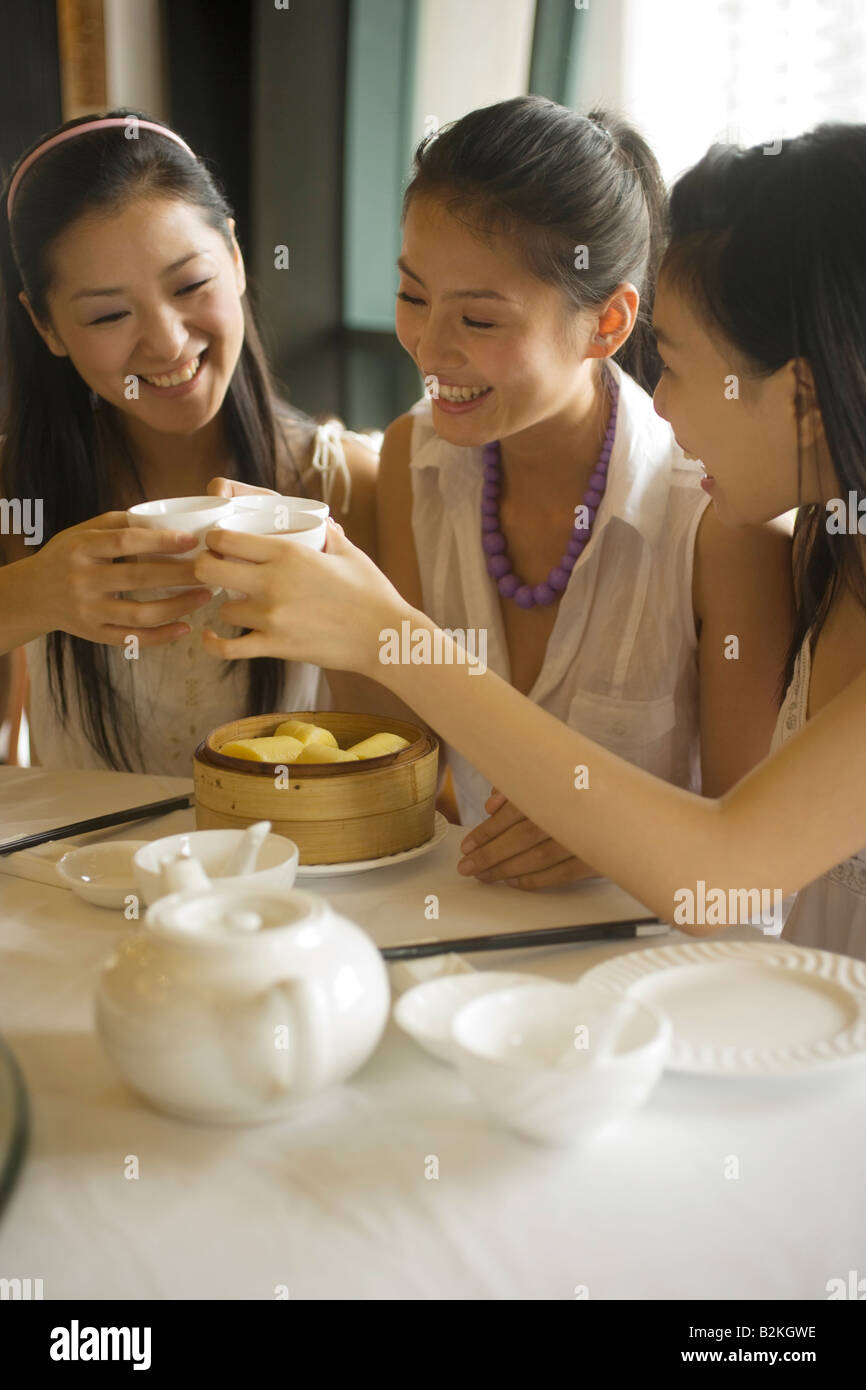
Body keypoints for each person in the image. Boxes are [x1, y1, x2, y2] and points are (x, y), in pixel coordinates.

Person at [196, 122, 866, 962]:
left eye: (680, 369)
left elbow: (723, 880)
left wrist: (387, 636)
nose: (659, 404)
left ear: (803, 397)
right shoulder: (834, 552)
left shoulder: (737, 527)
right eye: (412, 296)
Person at [371, 97, 792, 889]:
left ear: (607, 324)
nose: (429, 348)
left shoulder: (715, 514)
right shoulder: (411, 459)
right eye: (414, 296)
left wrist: (614, 833)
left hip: (651, 974)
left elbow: (752, 867)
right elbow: (410, 770)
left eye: (481, 322)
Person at [0, 111, 378, 775]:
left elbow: (392, 767)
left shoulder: (343, 482)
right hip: (74, 879)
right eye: (109, 315)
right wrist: (37, 594)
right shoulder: (17, 483)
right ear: (46, 325)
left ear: (233, 258)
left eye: (190, 285)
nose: (168, 342)